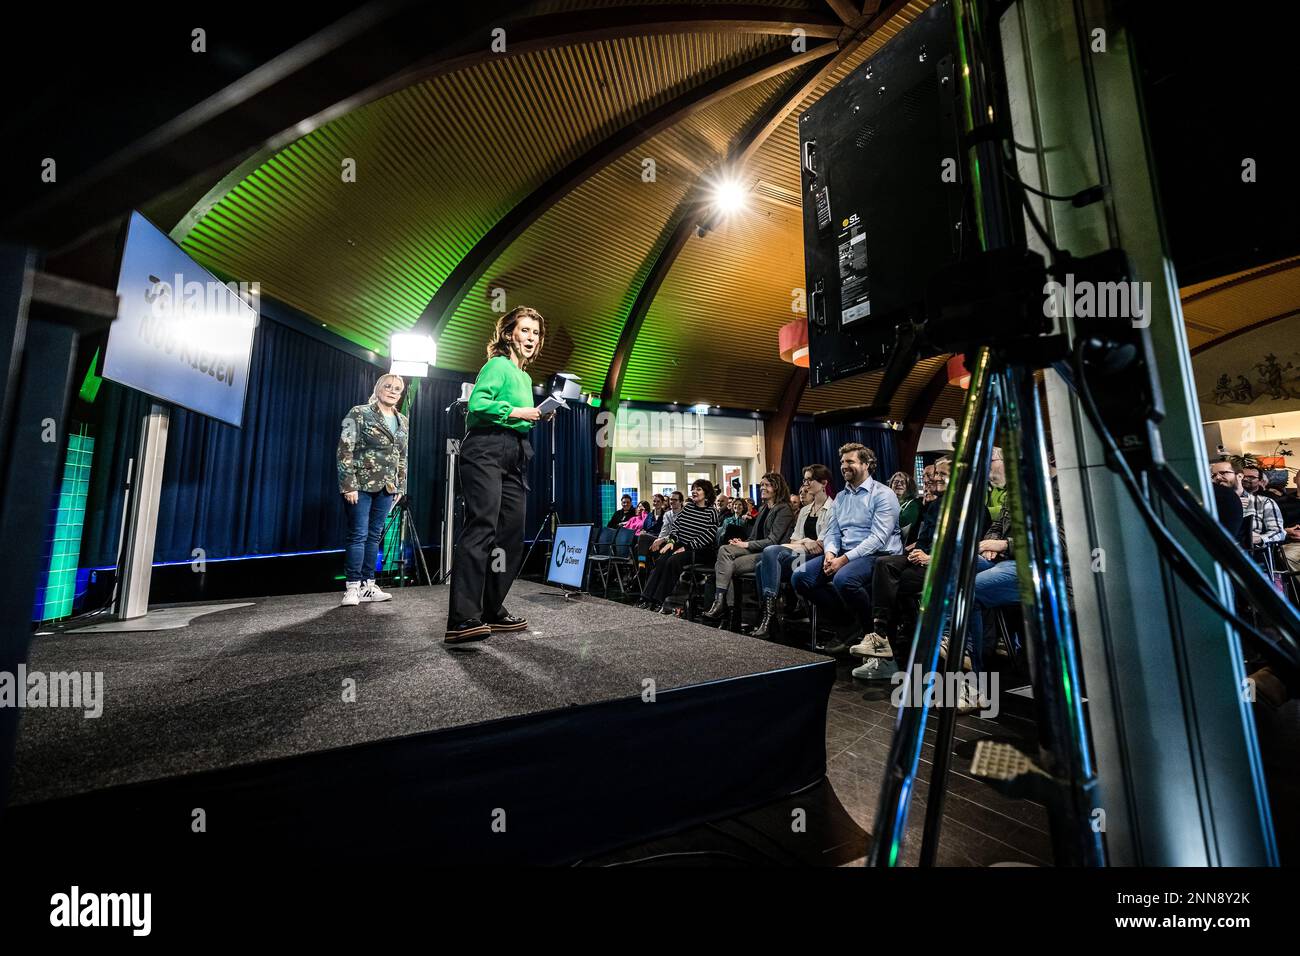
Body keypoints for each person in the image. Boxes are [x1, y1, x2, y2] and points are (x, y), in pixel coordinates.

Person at [445, 306, 553, 643]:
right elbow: (478, 404)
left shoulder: (524, 377)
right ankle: (462, 619)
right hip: (485, 450)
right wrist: (518, 411)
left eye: (535, 333)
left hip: (514, 454)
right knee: (482, 527)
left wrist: (536, 415)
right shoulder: (498, 365)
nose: (531, 338)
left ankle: (492, 609)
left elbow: (518, 416)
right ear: (509, 334)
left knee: (510, 534)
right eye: (524, 331)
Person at [791, 443, 901, 653]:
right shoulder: (841, 497)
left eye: (850, 461)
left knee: (844, 578)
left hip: (876, 555)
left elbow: (878, 538)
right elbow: (833, 531)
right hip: (843, 554)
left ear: (866, 464)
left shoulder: (882, 494)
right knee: (801, 576)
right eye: (842, 462)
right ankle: (849, 625)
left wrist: (843, 560)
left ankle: (874, 635)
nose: (844, 466)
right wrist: (830, 553)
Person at [337, 373, 408, 606]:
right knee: (358, 534)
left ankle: (369, 585)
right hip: (361, 485)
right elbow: (344, 449)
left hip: (387, 487)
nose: (393, 390)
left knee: (375, 536)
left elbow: (402, 456)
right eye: (388, 386)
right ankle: (352, 587)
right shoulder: (359, 412)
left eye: (397, 388)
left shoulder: (403, 420)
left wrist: (400, 486)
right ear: (378, 389)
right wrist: (348, 484)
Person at [749, 464, 835, 637]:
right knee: (761, 565)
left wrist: (809, 543)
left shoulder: (833, 508)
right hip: (800, 555)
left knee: (770, 552)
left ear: (823, 483)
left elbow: (821, 544)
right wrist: (806, 541)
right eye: (805, 480)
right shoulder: (804, 510)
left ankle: (768, 617)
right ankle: (768, 616)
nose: (806, 483)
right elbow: (795, 540)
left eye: (810, 480)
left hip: (816, 558)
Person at [702, 473, 794, 620]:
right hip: (755, 548)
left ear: (776, 487)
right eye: (762, 485)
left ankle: (727, 609)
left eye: (766, 485)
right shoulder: (764, 508)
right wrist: (742, 541)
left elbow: (772, 541)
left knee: (726, 566)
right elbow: (754, 536)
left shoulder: (784, 509)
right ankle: (722, 604)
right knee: (724, 549)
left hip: (770, 554)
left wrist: (746, 544)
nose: (762, 488)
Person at [637, 479, 719, 614]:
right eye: (693, 489)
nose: (694, 491)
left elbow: (708, 536)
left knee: (673, 561)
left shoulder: (712, 512)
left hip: (700, 550)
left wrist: (686, 547)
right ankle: (646, 598)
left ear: (707, 493)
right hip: (682, 544)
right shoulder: (688, 508)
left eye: (698, 489)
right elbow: (676, 527)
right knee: (662, 559)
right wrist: (671, 542)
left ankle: (660, 600)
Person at [888, 471, 921, 542]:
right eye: (896, 482)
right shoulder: (886, 502)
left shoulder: (913, 504)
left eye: (903, 482)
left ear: (909, 486)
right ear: (891, 486)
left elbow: (904, 522)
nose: (899, 484)